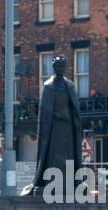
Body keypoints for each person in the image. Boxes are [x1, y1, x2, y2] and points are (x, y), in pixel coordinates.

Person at [29, 56, 82, 194]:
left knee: (69, 155)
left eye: (62, 66)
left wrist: (71, 118)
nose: (60, 69)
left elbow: (75, 107)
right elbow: (45, 112)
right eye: (58, 66)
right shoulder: (48, 87)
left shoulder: (70, 86)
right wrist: (57, 115)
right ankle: (52, 182)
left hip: (68, 128)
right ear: (54, 68)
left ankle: (69, 182)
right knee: (54, 155)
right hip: (54, 129)